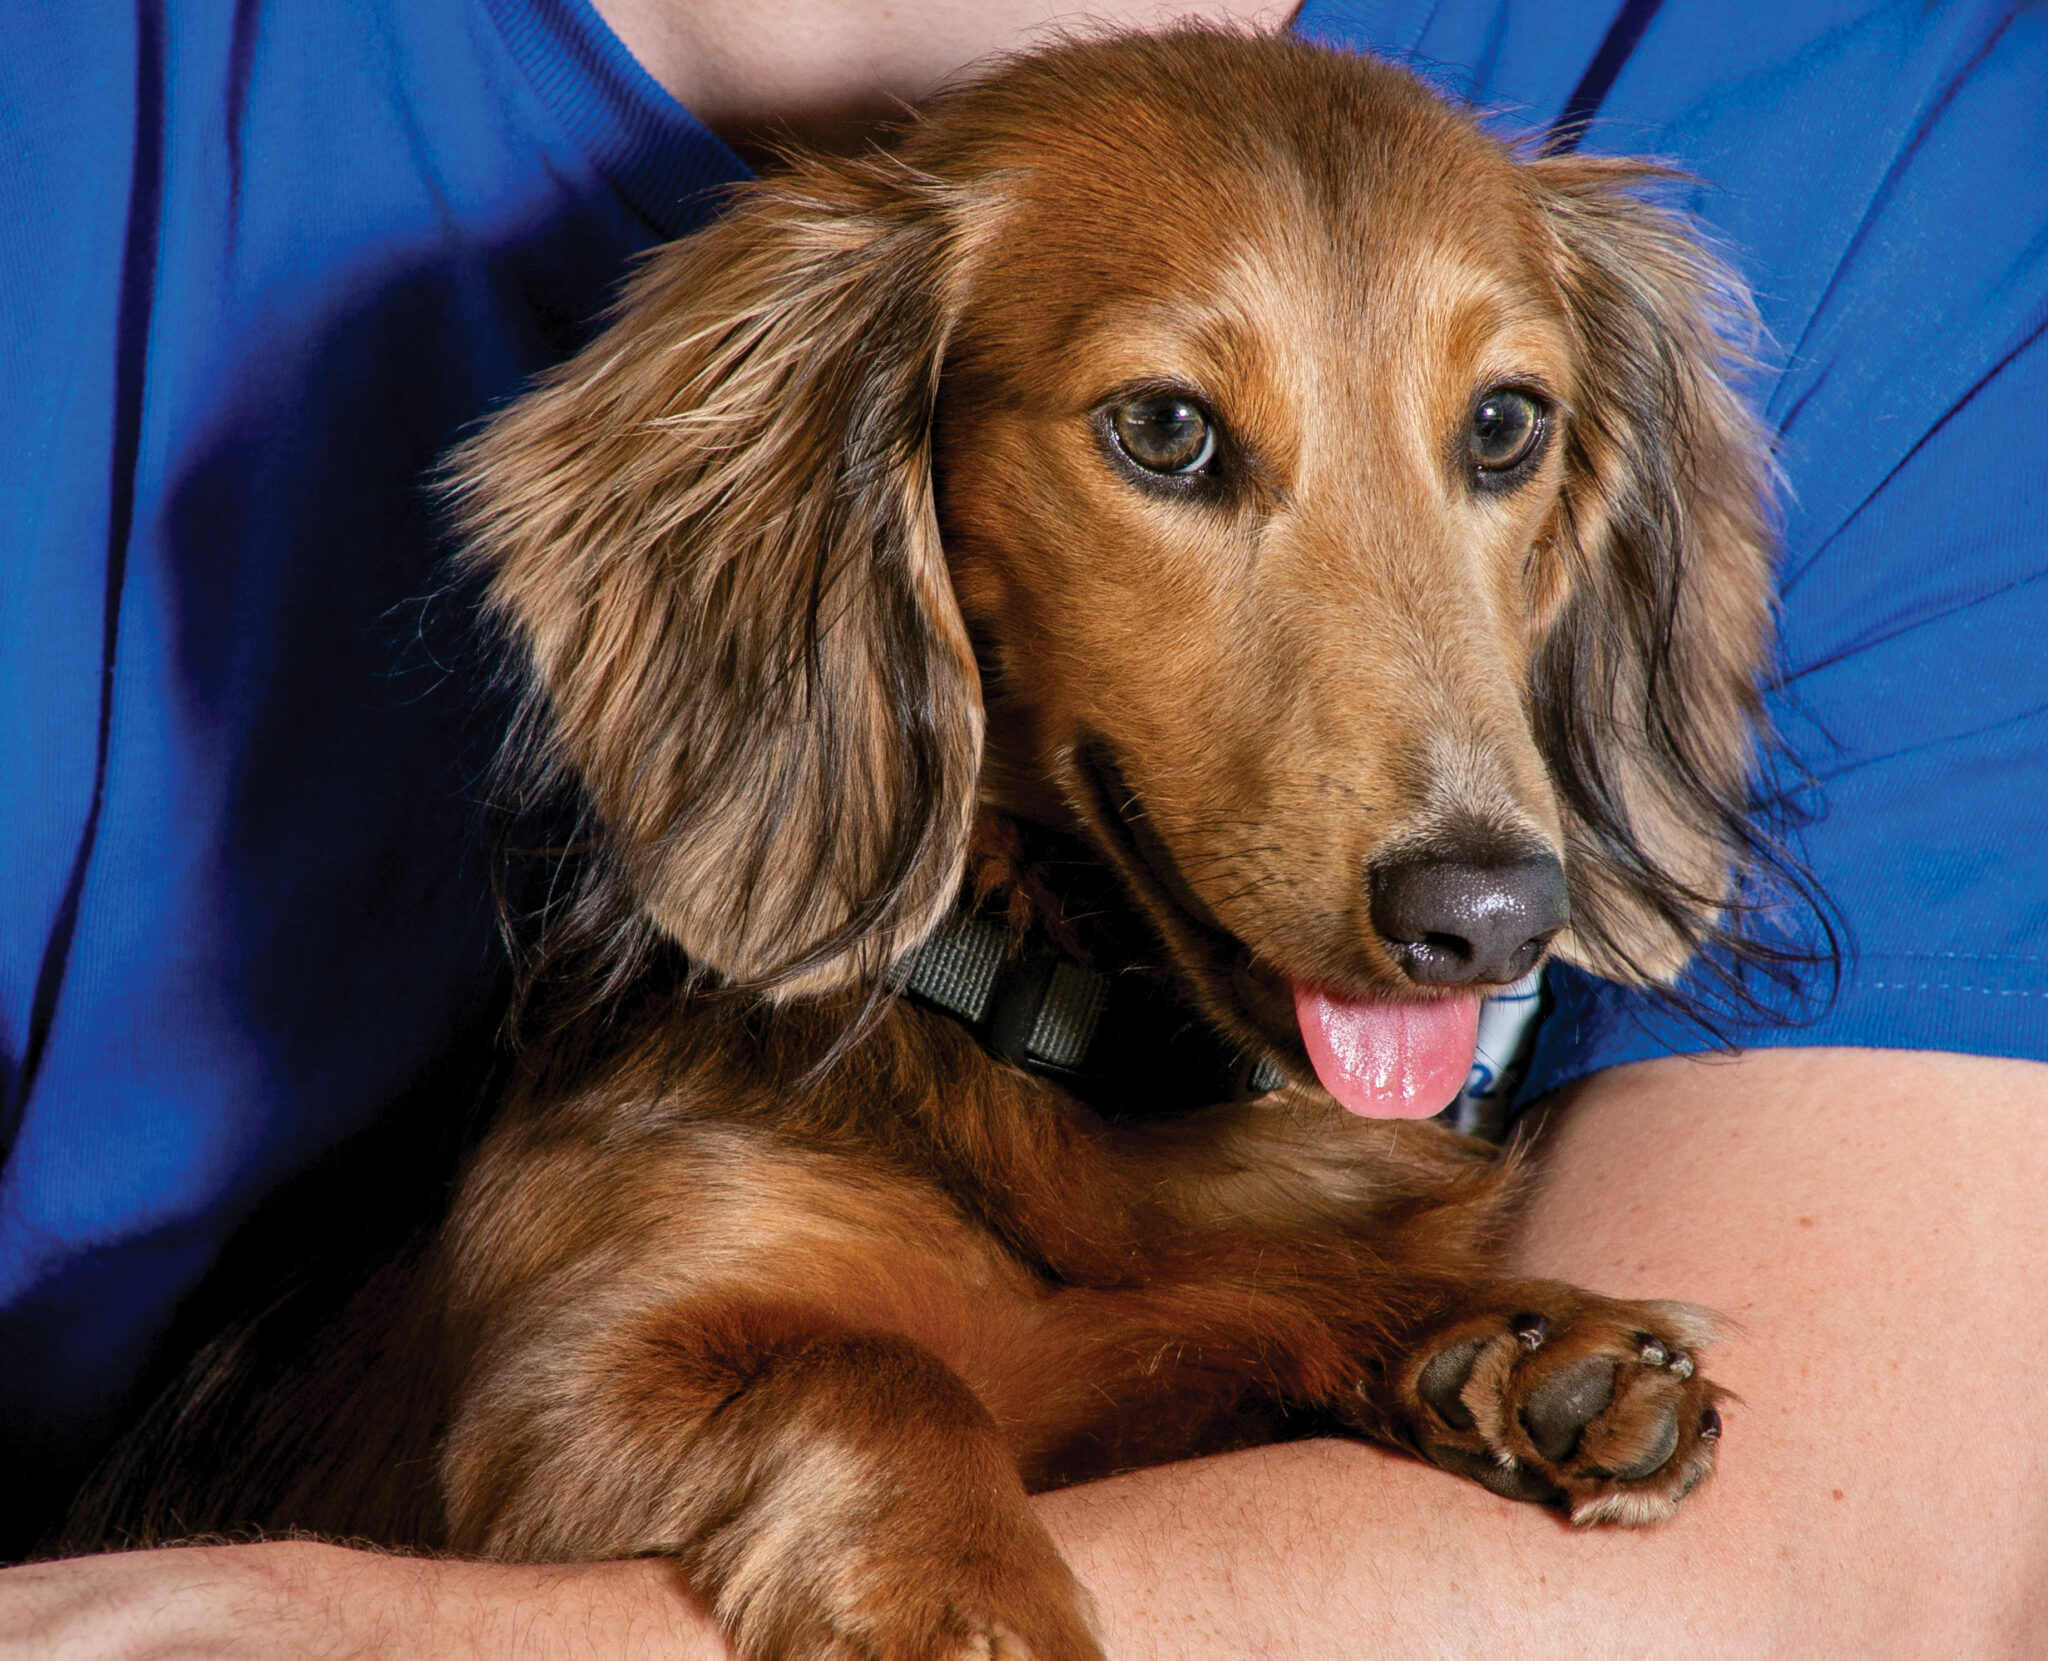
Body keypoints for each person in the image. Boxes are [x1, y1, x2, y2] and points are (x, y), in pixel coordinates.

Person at [4, 0, 2045, 1654]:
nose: (1459, 816)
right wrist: (866, 1469)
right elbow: (583, 1409)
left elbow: (1852, 1575)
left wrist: (1354, 1338)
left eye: (1496, 431)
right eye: (1170, 434)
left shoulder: (1908, 132)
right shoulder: (692, 1163)